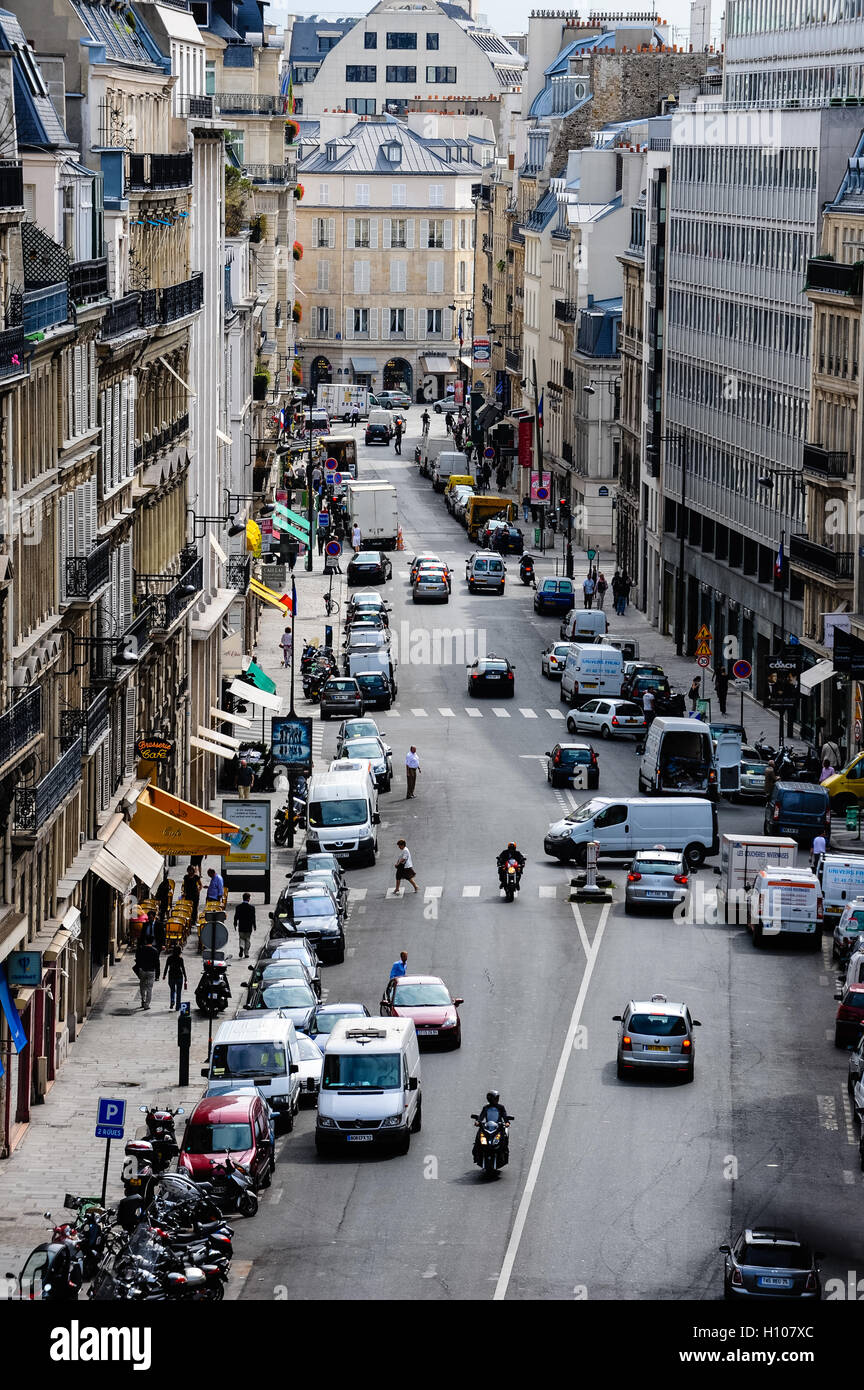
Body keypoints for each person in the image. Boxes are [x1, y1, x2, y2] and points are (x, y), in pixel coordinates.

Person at [473, 1089, 511, 1163]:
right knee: (479, 1135)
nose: (497, 1100)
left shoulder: (501, 1107)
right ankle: (476, 1154)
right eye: (495, 1098)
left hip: (498, 1127)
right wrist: (478, 1122)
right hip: (488, 1127)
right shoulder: (486, 1108)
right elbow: (481, 1116)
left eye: (497, 1098)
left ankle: (505, 1153)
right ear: (490, 1099)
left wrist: (507, 1122)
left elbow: (504, 1115)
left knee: (504, 1137)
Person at [135, 938, 160, 1010]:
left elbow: (137, 959)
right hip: (151, 971)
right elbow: (157, 963)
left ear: (146, 941)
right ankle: (147, 1004)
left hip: (142, 970)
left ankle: (143, 1000)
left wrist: (139, 967)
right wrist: (158, 974)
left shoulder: (141, 949)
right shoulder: (155, 951)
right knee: (149, 988)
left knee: (142, 986)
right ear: (152, 942)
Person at [162, 946, 187, 1011]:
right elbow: (183, 968)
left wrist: (164, 975)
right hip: (179, 976)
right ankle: (178, 1006)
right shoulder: (180, 959)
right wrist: (185, 977)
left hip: (171, 976)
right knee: (179, 992)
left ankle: (172, 1001)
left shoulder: (169, 958)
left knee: (172, 990)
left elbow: (166, 967)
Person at [234, 893, 256, 958]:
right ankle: (246, 953)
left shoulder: (238, 907)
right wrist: (254, 925)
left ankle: (241, 946)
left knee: (241, 938)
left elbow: (236, 917)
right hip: (248, 927)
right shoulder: (252, 908)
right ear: (249, 899)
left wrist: (235, 924)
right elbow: (253, 917)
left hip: (241, 926)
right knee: (247, 939)